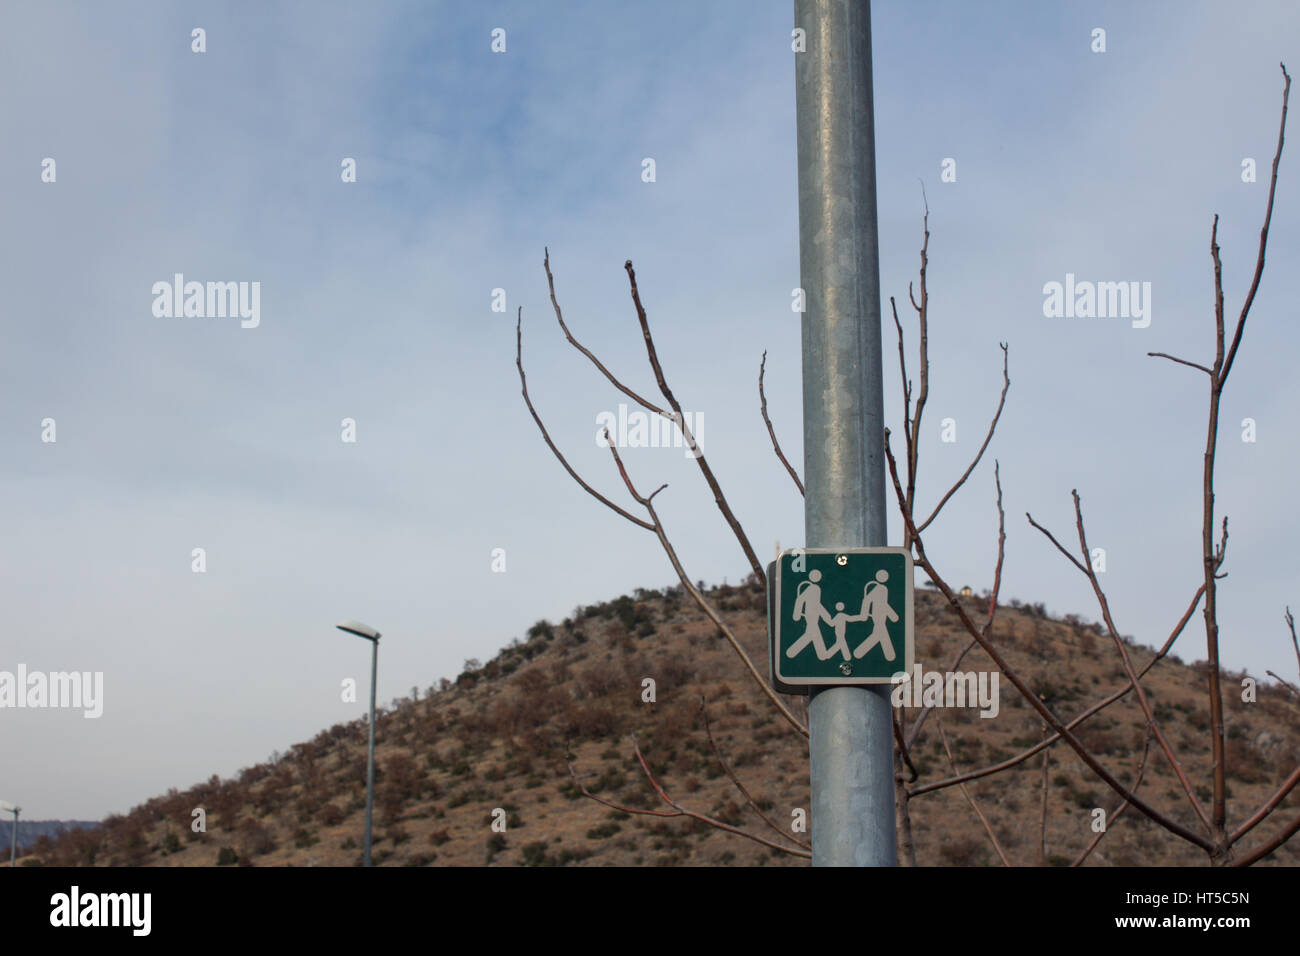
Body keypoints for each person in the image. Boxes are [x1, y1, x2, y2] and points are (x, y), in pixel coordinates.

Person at [852, 570, 899, 661]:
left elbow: (883, 604)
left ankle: (859, 652)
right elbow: (869, 601)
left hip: (881, 615)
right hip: (878, 616)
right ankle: (859, 652)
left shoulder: (882, 588)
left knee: (878, 634)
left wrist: (892, 615)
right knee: (880, 633)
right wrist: (893, 616)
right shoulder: (879, 589)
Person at [787, 569, 833, 659]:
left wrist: (825, 615)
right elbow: (800, 600)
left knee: (810, 635)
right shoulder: (812, 589)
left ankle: (791, 652)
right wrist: (796, 614)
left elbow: (817, 604)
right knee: (814, 632)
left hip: (814, 615)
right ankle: (822, 654)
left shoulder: (816, 588)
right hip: (810, 616)